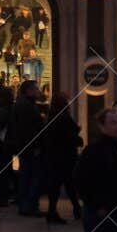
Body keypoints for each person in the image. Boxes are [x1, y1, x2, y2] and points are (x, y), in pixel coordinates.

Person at [41, 91, 81, 223]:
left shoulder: (53, 115)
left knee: (60, 185)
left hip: (55, 156)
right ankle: (60, 211)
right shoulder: (62, 117)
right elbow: (68, 137)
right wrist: (77, 138)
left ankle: (70, 210)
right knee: (65, 184)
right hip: (64, 157)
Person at [11, 80, 45, 217]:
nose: (38, 92)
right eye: (36, 89)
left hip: (25, 146)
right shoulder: (26, 106)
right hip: (29, 147)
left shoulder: (23, 104)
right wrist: (35, 146)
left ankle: (25, 204)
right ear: (29, 91)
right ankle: (28, 205)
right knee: (30, 176)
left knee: (26, 175)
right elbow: (28, 129)